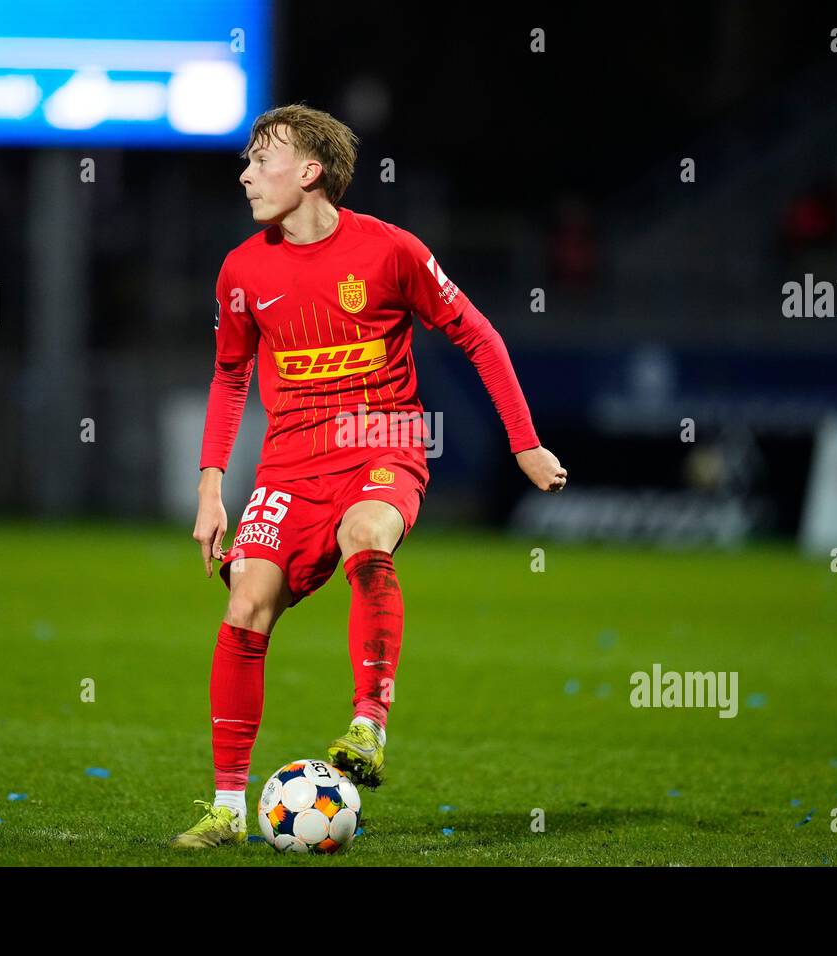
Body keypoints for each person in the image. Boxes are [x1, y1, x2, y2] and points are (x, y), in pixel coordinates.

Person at [173, 103, 566, 849]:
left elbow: (479, 337)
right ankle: (226, 809)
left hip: (381, 446)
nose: (245, 173)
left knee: (365, 535)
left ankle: (368, 723)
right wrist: (210, 485)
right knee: (249, 598)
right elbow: (229, 378)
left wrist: (526, 444)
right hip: (289, 463)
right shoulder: (243, 270)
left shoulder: (391, 253)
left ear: (310, 172)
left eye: (262, 159)